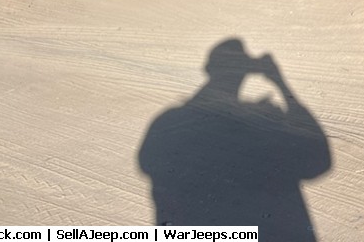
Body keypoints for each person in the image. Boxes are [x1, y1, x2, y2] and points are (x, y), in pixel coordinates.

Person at [139, 39, 331, 239]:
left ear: (208, 69)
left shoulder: (168, 120)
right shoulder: (259, 123)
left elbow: (148, 165)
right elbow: (318, 163)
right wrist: (279, 82)